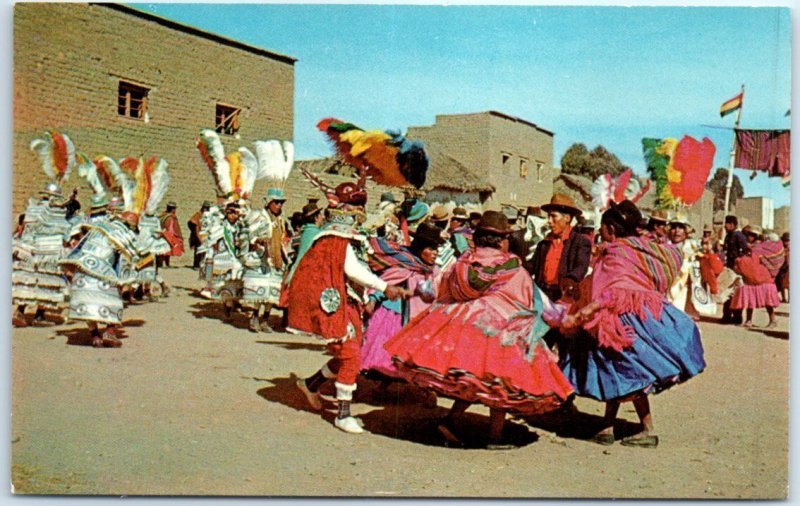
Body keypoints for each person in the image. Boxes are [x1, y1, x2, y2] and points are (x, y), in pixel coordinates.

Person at [385, 211, 575, 449]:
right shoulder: (515, 270)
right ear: (503, 240)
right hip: (502, 335)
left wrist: (413, 291)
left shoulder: (462, 265)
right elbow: (539, 303)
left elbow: (431, 288)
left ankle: (452, 422)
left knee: (473, 382)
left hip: (464, 328)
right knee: (500, 385)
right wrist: (566, 317)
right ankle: (494, 436)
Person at [551, 200, 705, 448]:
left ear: (611, 229)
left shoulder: (615, 254)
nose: (601, 232)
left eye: (603, 228)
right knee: (618, 370)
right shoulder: (640, 249)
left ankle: (645, 429)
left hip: (619, 323)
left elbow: (612, 293)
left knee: (629, 373)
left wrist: (579, 316)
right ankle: (609, 426)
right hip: (639, 318)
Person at [287, 187, 409, 434]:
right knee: (352, 355)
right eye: (357, 209)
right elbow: (352, 269)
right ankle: (343, 413)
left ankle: (311, 384)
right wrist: (384, 287)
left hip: (349, 302)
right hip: (338, 304)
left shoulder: (342, 238)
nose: (360, 213)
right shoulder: (336, 239)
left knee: (348, 353)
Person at [361, 221, 446, 381]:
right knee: (387, 356)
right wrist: (372, 299)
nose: (434, 253)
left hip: (418, 317)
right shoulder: (404, 265)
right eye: (430, 249)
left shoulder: (433, 270)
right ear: (420, 248)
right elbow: (385, 283)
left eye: (436, 249)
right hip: (394, 314)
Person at [528, 193, 592, 303]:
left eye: (553, 216)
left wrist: (570, 280)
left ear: (567, 218)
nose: (549, 221)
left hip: (564, 297)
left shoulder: (580, 242)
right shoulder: (543, 244)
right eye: (548, 216)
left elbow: (581, 267)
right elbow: (532, 265)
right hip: (542, 296)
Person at [730, 243, 780, 329]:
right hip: (755, 281)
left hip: (762, 280)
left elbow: (739, 269)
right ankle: (749, 320)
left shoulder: (747, 259)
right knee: (751, 301)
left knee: (767, 303)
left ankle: (772, 320)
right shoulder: (749, 258)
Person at [721, 215, 749, 324]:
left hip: (737, 270)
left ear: (732, 225)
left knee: (737, 293)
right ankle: (726, 315)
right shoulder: (728, 236)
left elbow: (745, 251)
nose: (725, 226)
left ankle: (737, 317)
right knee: (727, 292)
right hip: (729, 269)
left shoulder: (739, 236)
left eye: (727, 223)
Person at [158, 202, 184, 268]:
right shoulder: (169, 218)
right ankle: (163, 264)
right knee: (165, 251)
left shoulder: (163, 215)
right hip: (166, 236)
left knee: (167, 250)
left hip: (162, 235)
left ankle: (166, 264)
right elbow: (170, 229)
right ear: (172, 209)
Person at [188, 201, 211, 269]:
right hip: (198, 235)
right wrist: (198, 235)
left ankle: (203, 264)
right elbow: (193, 224)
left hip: (206, 235)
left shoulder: (208, 215)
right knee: (198, 250)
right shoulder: (197, 215)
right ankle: (196, 265)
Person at [776, 232, 789, 303]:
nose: (786, 242)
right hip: (783, 269)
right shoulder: (781, 249)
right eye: (785, 241)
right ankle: (784, 298)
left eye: (787, 241)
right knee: (782, 284)